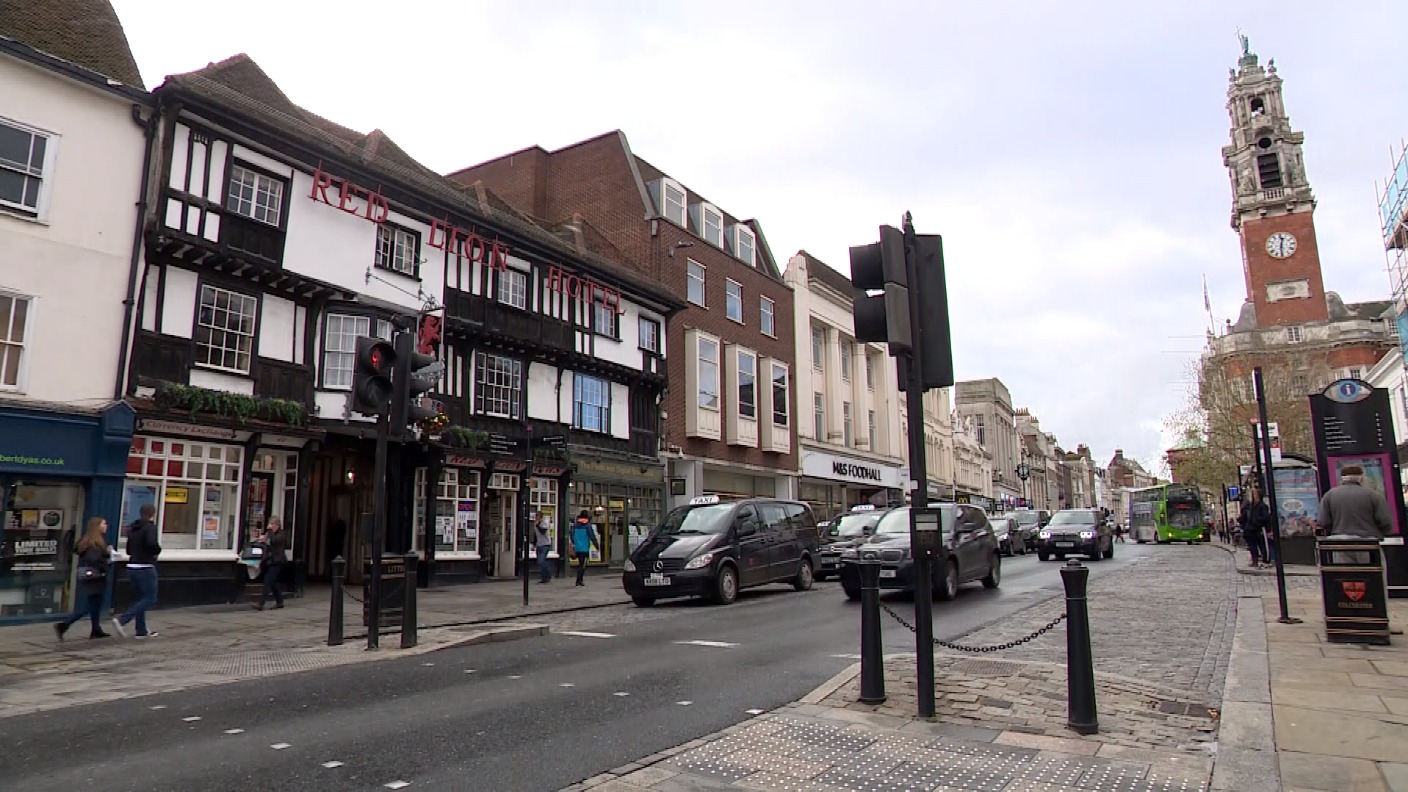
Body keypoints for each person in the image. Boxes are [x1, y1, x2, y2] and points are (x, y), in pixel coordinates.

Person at [55, 518, 113, 641]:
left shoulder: (88, 541)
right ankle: (64, 625)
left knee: (96, 603)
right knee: (91, 605)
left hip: (91, 576)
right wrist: (107, 561)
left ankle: (96, 629)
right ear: (97, 526)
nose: (106, 525)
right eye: (103, 523)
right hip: (96, 577)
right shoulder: (94, 543)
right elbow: (94, 559)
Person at [113, 503, 161, 638]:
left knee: (140, 598)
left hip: (132, 567)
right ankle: (122, 620)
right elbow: (152, 544)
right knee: (150, 598)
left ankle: (141, 631)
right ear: (153, 514)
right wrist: (157, 551)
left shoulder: (133, 528)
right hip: (145, 567)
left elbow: (128, 550)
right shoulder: (150, 527)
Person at [1318, 465, 1393, 539]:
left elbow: (1324, 522)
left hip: (1340, 542)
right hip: (1369, 541)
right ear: (1361, 478)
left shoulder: (1329, 495)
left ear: (1342, 478)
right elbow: (1385, 521)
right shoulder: (1374, 495)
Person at [256, 516, 287, 610]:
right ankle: (280, 602)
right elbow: (265, 542)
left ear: (278, 525)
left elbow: (274, 540)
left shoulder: (282, 534)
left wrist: (269, 532)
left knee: (268, 581)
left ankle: (261, 604)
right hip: (270, 560)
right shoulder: (271, 533)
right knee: (273, 582)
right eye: (270, 524)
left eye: (272, 524)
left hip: (278, 561)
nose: (270, 526)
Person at [570, 510, 601, 587]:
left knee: (580, 564)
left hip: (576, 547)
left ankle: (579, 580)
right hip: (584, 548)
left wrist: (574, 542)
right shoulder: (587, 525)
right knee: (582, 565)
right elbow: (592, 536)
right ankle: (579, 580)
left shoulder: (575, 525)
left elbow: (571, 534)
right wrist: (597, 546)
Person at [1242, 491, 1271, 568]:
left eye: (1254, 494)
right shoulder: (1251, 506)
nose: (1253, 496)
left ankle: (1265, 561)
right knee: (1253, 546)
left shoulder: (1262, 506)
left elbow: (1266, 517)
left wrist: (1257, 520)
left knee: (1262, 545)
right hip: (1251, 529)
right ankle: (1255, 561)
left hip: (1259, 528)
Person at [535, 512, 554, 584]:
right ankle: (544, 577)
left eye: (538, 517)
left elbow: (543, 531)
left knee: (541, 560)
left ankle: (547, 575)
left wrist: (537, 525)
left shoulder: (544, 523)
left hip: (546, 544)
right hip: (539, 544)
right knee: (540, 562)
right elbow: (536, 534)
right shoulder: (536, 524)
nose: (536, 518)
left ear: (541, 517)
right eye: (536, 517)